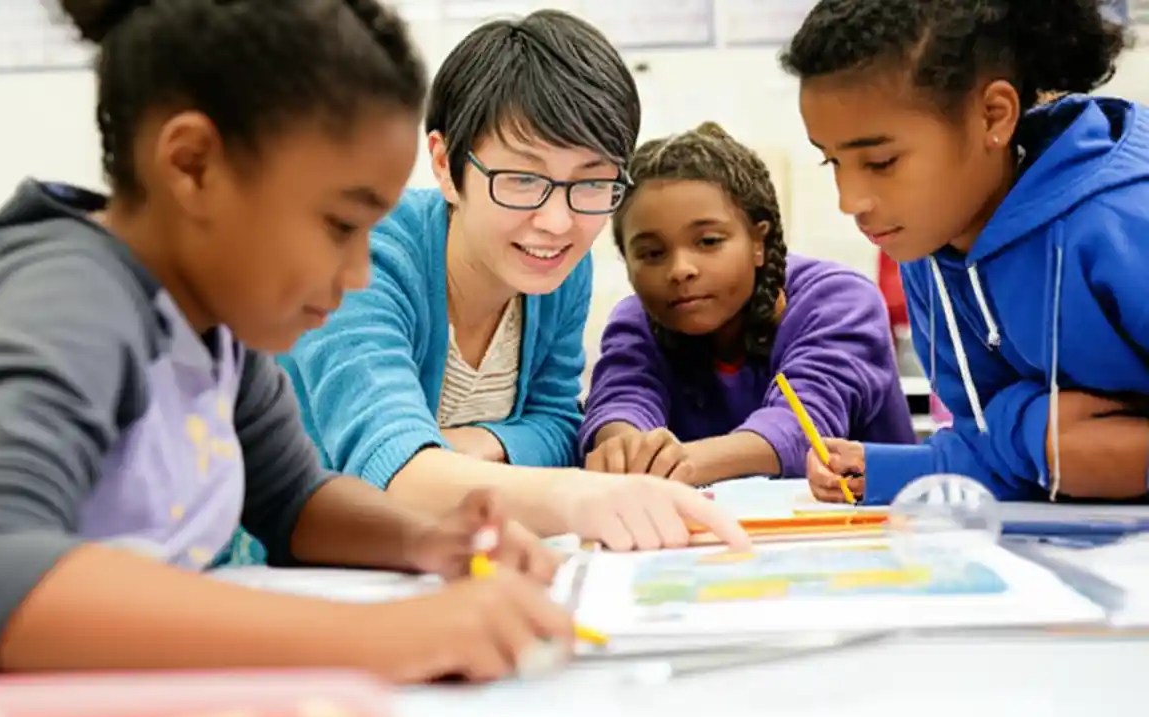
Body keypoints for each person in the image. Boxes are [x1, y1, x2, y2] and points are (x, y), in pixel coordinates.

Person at [0, 0, 573, 683]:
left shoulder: (217, 331)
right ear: (194, 166)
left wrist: (425, 539)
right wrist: (373, 639)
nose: (357, 272)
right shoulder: (71, 300)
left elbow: (296, 501)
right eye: (338, 225)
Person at [283, 11, 750, 552]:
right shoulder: (368, 255)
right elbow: (393, 475)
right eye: (523, 180)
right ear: (443, 163)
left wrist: (474, 445)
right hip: (271, 569)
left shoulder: (556, 270)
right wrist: (576, 497)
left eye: (592, 182)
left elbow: (556, 426)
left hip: (433, 561)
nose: (557, 222)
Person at [782, 0, 1149, 504]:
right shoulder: (927, 243)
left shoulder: (1126, 222)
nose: (850, 201)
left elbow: (1051, 453)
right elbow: (996, 447)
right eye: (832, 162)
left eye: (882, 161)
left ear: (992, 117)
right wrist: (897, 471)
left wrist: (1065, 447)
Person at [580, 122, 914, 485]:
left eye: (708, 241)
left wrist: (670, 465)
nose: (680, 270)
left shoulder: (841, 302)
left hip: (875, 533)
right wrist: (621, 450)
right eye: (651, 253)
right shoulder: (637, 322)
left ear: (758, 241)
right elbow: (621, 401)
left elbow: (800, 429)